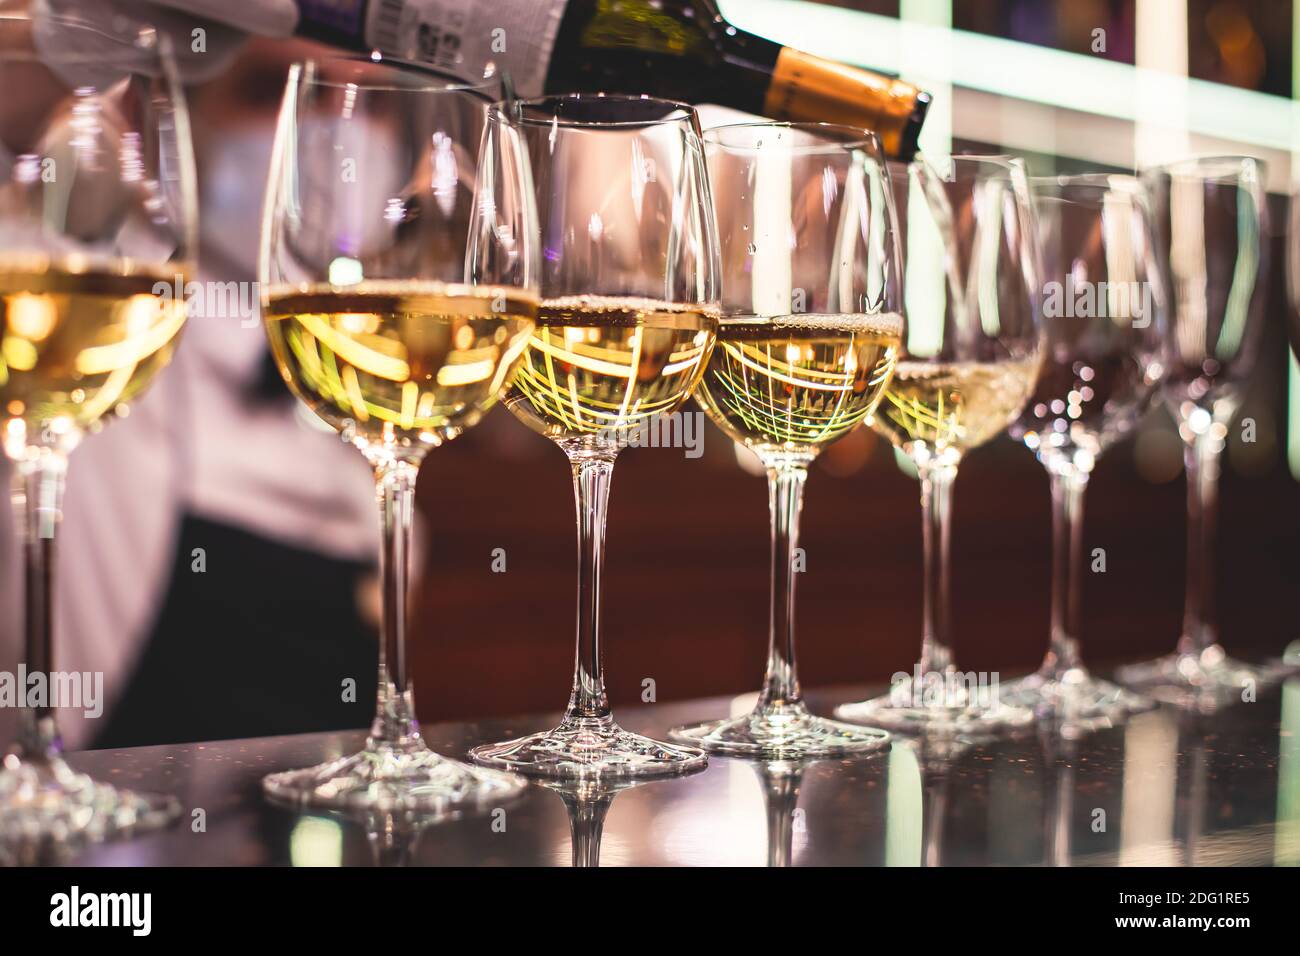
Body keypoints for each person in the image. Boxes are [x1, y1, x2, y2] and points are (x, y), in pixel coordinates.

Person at [1, 7, 386, 749]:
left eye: (358, 100)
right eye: (271, 89)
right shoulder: (94, 322)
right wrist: (61, 41)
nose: (329, 134)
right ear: (174, 118)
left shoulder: (363, 378)